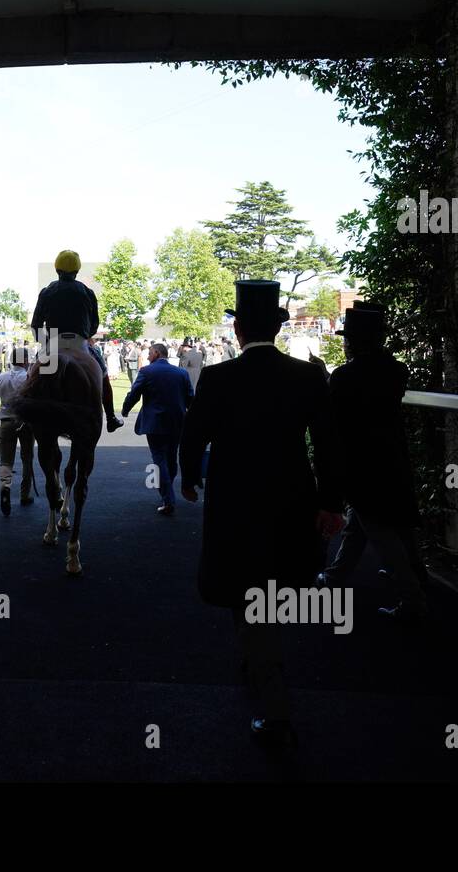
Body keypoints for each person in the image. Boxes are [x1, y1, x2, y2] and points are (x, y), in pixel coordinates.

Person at [179, 280, 343, 750]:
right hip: (292, 496)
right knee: (274, 583)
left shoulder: (218, 377)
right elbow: (330, 446)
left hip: (233, 499)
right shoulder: (310, 378)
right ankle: (259, 661)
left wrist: (188, 477)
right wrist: (331, 502)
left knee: (243, 589)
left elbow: (194, 436)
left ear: (237, 328)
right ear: (279, 328)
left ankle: (274, 711)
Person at [319, 302, 428, 619]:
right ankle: (336, 575)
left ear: (352, 341)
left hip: (360, 466)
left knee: (380, 532)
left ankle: (413, 600)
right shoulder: (397, 371)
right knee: (379, 525)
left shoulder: (342, 377)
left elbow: (337, 426)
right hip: (392, 459)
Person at [30, 250, 123, 433]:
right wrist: (86, 334)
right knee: (103, 376)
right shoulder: (87, 292)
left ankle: (26, 418)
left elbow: (36, 325)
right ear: (77, 271)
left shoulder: (47, 291)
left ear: (57, 270)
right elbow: (94, 324)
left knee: (31, 375)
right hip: (80, 343)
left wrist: (45, 343)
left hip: (54, 343)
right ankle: (111, 417)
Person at [121, 342, 193, 514]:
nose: (147, 356)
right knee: (170, 459)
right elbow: (190, 398)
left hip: (155, 423)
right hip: (177, 422)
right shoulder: (182, 373)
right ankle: (167, 492)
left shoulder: (147, 371)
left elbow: (135, 394)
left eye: (150, 353)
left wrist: (125, 410)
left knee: (159, 459)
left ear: (156, 353)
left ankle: (168, 499)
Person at [0, 345, 36, 515]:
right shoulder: (29, 378)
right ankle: (24, 494)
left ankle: (5, 489)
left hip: (6, 422)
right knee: (27, 458)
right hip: (26, 423)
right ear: (24, 360)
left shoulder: (1, 377)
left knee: (6, 460)